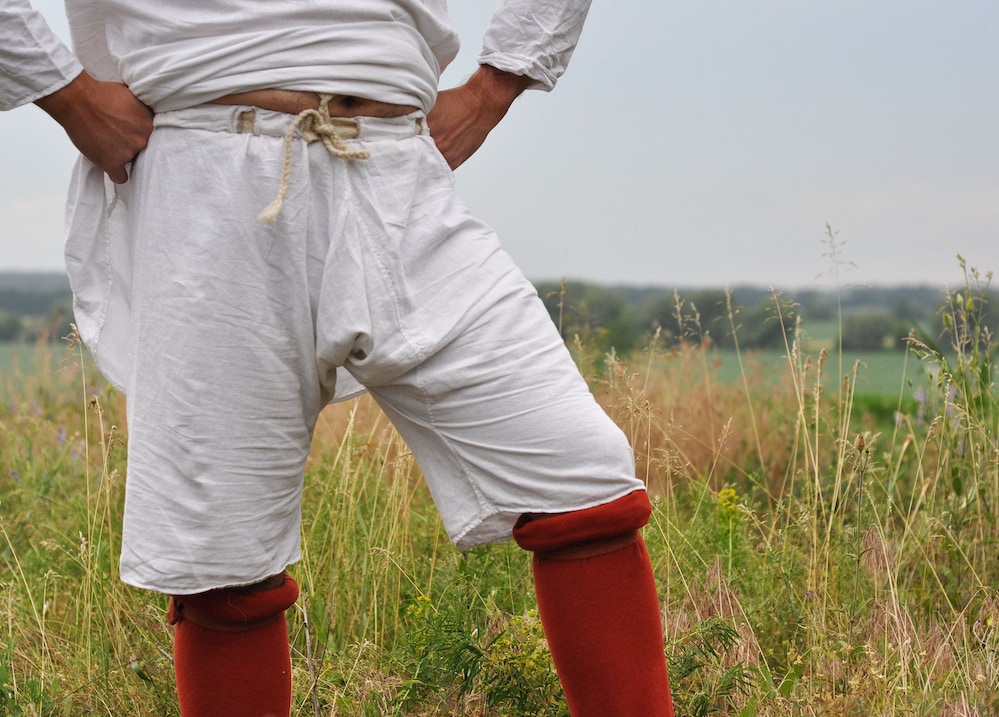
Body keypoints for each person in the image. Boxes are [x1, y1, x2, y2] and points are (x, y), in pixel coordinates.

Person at [1, 1, 675, 715]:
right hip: (208, 175)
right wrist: (68, 94)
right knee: (226, 563)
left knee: (581, 472)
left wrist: (497, 83)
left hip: (398, 169)